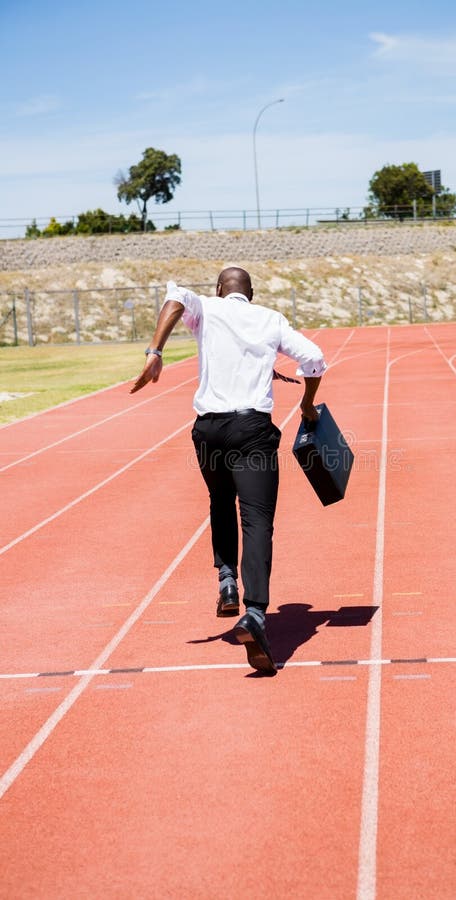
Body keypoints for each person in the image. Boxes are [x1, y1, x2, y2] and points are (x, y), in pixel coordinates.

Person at [131, 267, 326, 675]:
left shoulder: (207, 310)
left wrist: (155, 352)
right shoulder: (269, 319)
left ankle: (225, 578)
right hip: (252, 430)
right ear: (251, 294)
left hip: (209, 431)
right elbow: (314, 359)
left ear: (219, 290)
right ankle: (255, 613)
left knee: (219, 500)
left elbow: (177, 296)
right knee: (256, 520)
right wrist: (307, 403)